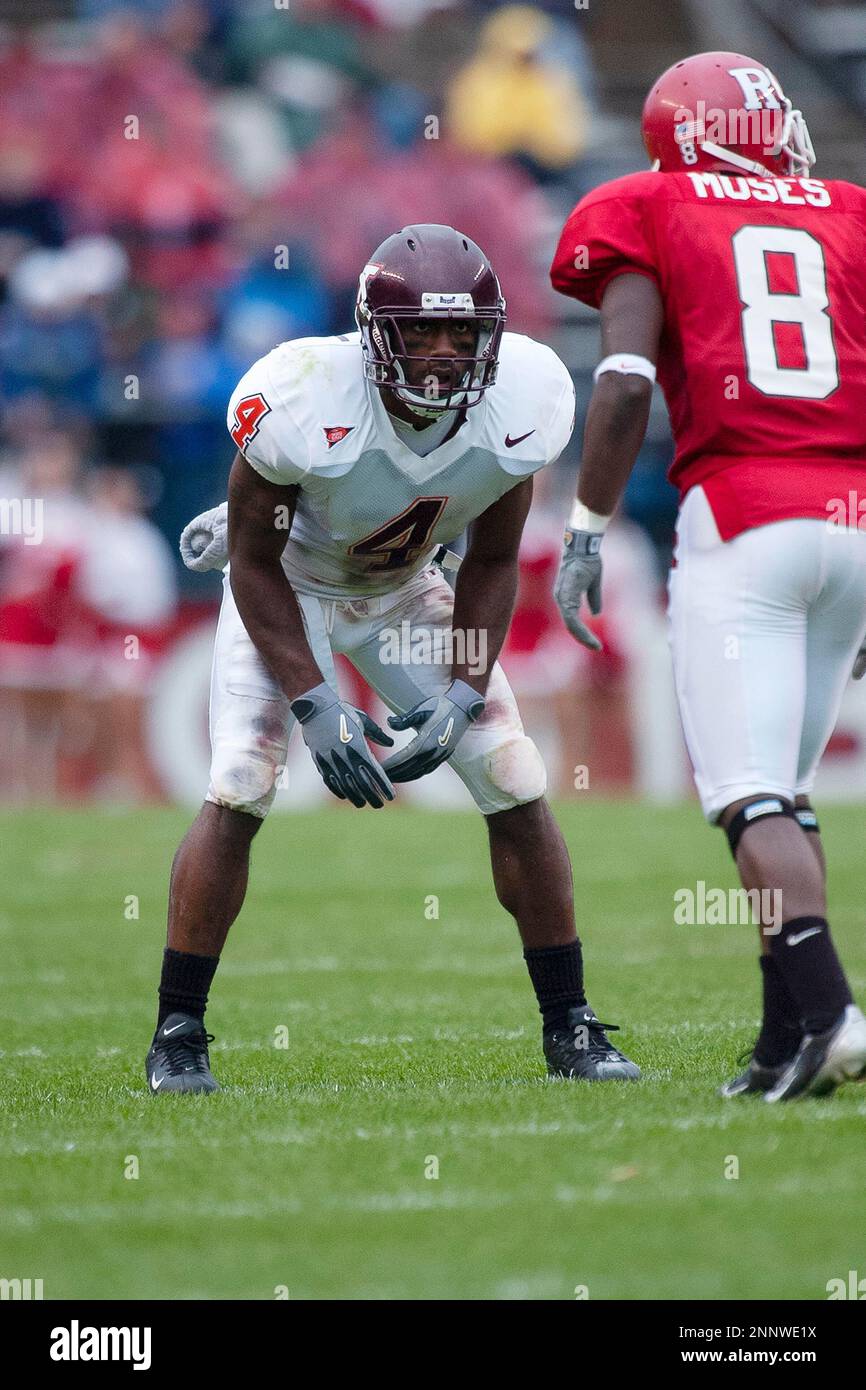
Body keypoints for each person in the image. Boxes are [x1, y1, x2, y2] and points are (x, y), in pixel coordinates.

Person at [145, 223, 640, 1093]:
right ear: (377, 334)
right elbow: (254, 564)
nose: (445, 353)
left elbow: (489, 561)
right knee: (243, 782)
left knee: (513, 773)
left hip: (406, 588)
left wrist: (463, 688)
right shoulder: (302, 395)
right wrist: (312, 699)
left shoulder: (521, 403)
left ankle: (570, 1026)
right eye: (421, 332)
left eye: (463, 333)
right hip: (290, 584)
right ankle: (178, 1032)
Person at [549, 52, 866, 1102]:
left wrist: (587, 523)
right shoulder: (845, 210)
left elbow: (625, 380)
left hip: (742, 512)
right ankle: (782, 1043)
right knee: (787, 792)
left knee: (743, 793)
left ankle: (826, 1013)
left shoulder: (645, 202)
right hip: (853, 517)